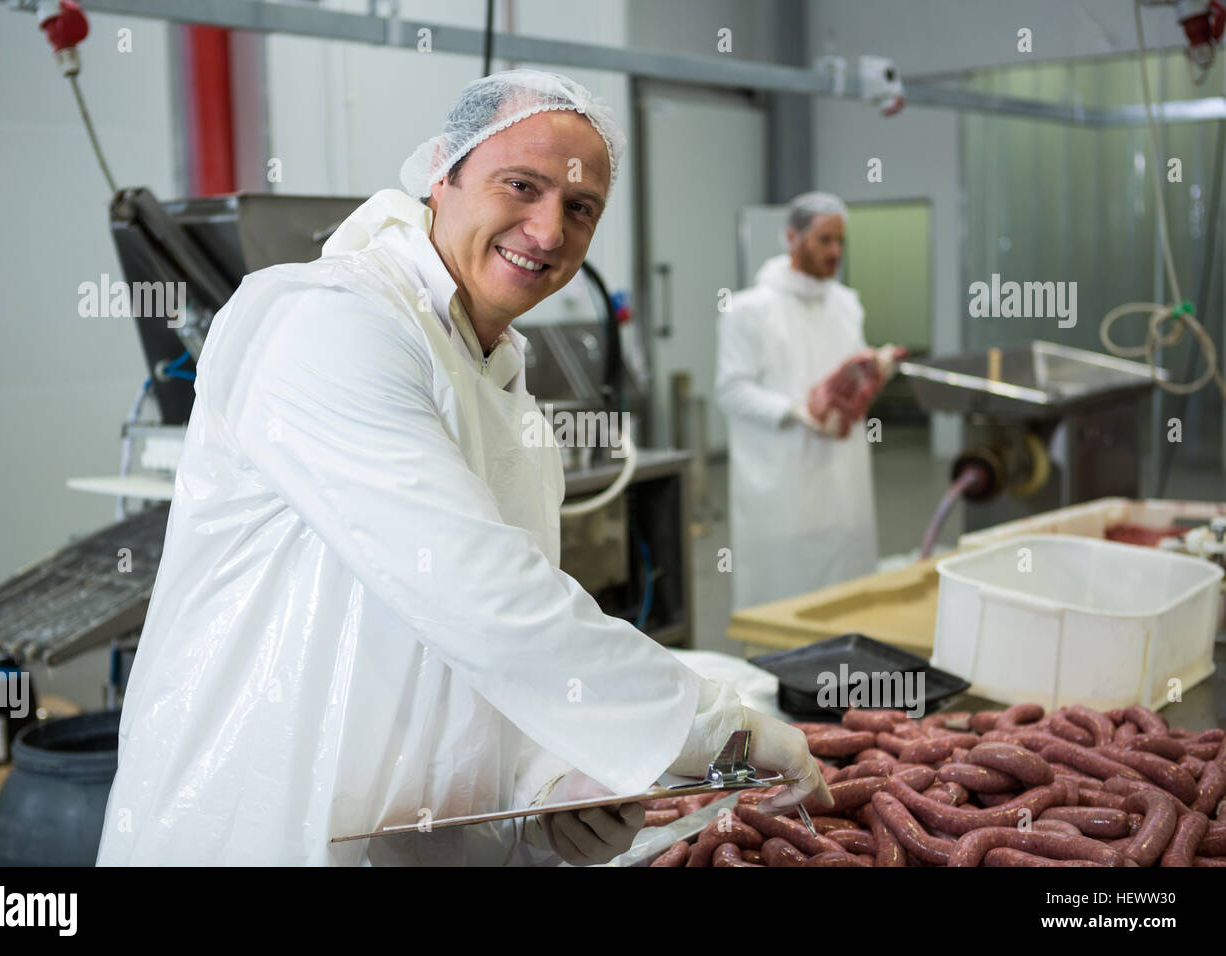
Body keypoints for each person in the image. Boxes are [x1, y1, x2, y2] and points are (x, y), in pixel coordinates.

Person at [97, 71, 828, 867]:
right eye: (522, 185)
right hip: (260, 829)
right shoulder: (329, 322)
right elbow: (483, 594)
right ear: (441, 174)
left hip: (421, 841)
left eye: (580, 209)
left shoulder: (509, 398)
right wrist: (723, 726)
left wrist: (551, 790)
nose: (548, 231)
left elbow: (481, 656)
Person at [716, 191, 897, 609]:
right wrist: (795, 412)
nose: (835, 252)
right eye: (824, 240)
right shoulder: (749, 310)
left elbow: (853, 376)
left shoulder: (847, 305)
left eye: (841, 242)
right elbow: (731, 390)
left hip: (842, 468)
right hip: (783, 475)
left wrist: (875, 374)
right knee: (788, 587)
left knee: (847, 581)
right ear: (792, 237)